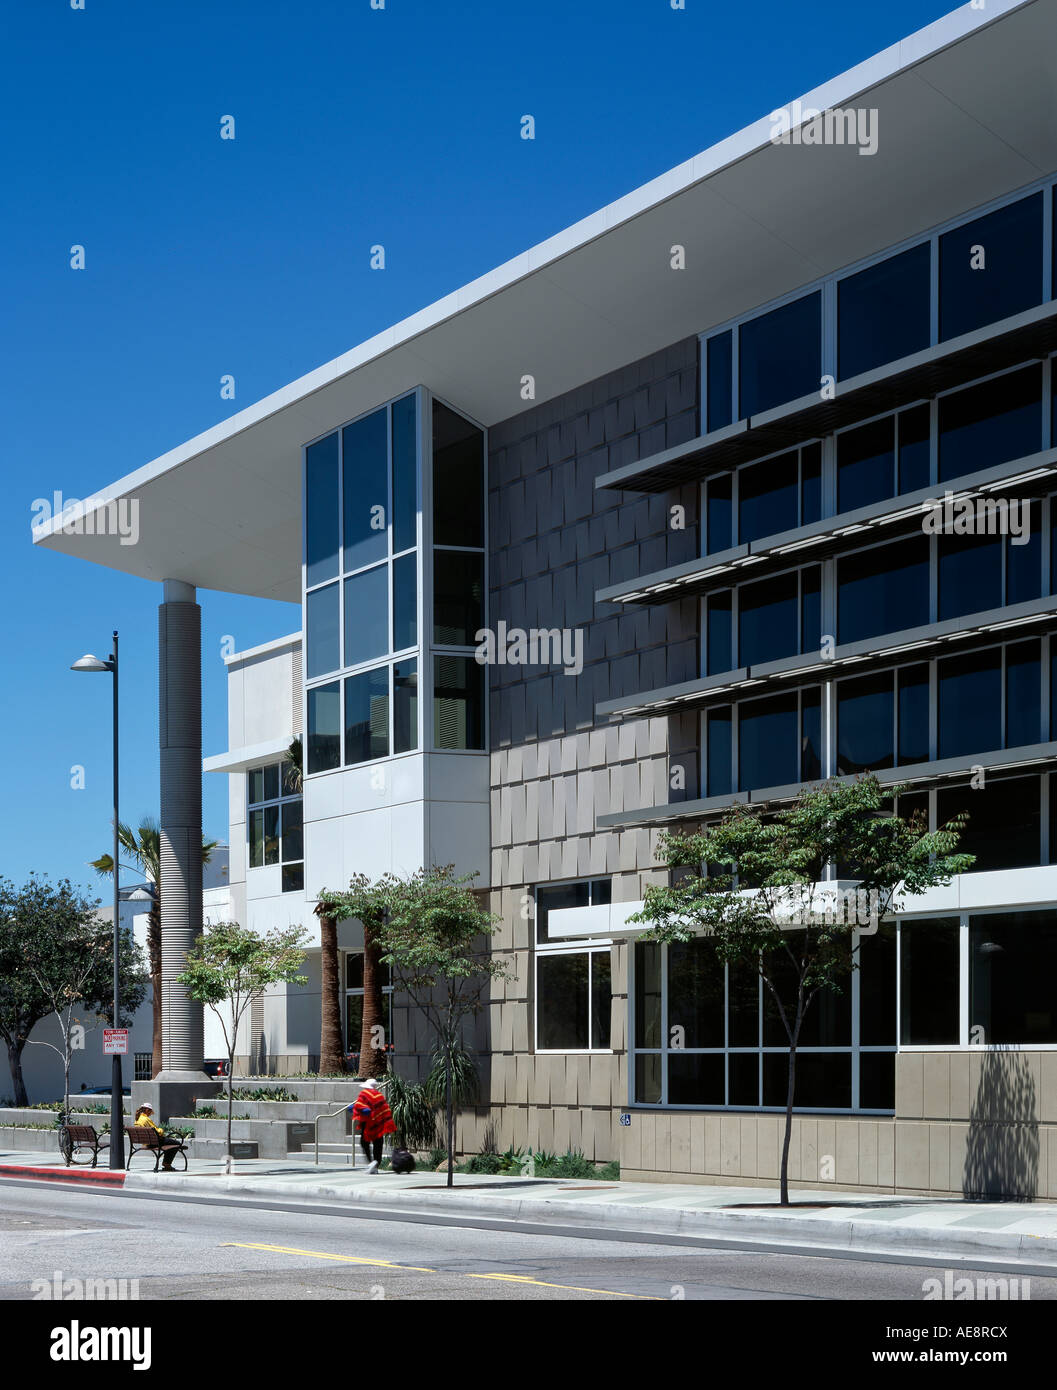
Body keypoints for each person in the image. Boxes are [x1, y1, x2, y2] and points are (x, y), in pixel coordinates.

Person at [349, 1079, 396, 1174]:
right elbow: (384, 1110)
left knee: (364, 1143)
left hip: (367, 1124)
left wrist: (353, 1108)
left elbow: (359, 1106)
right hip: (379, 1124)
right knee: (378, 1145)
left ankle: (371, 1163)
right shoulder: (380, 1096)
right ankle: (376, 1164)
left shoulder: (364, 1094)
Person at [133, 1103, 182, 1171]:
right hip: (154, 1142)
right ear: (147, 1110)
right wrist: (161, 1130)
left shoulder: (137, 1119)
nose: (150, 1114)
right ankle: (167, 1164)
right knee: (177, 1143)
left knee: (170, 1143)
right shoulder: (146, 1119)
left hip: (146, 1142)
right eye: (150, 1112)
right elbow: (157, 1131)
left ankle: (166, 1163)